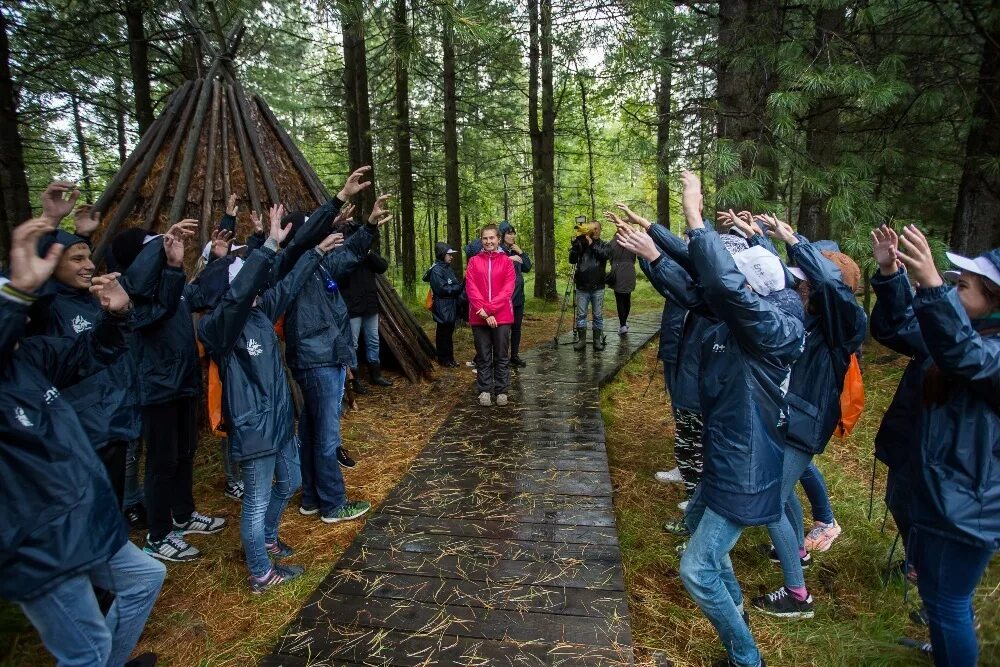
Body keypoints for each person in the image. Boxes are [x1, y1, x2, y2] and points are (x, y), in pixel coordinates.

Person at [621, 170, 804, 667]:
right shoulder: (742, 316)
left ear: (753, 288)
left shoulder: (772, 326)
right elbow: (697, 288)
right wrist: (655, 250)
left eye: (739, 276)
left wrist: (696, 217)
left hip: (746, 467)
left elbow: (720, 284)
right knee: (714, 557)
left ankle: (746, 657)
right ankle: (739, 617)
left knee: (697, 570)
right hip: (725, 458)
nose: (727, 283)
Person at [2, 216, 164, 667]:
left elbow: (89, 354)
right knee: (85, 648)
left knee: (146, 577)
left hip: (79, 517)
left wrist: (115, 317)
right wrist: (16, 292)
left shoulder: (30, 359)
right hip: (39, 539)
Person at [870, 225, 999, 667]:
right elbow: (900, 327)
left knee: (949, 604)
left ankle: (952, 647)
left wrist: (929, 285)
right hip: (941, 487)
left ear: (994, 300)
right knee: (940, 598)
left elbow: (967, 359)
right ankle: (945, 645)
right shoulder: (960, 331)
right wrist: (890, 274)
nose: (951, 288)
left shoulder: (985, 349)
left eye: (962, 286)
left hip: (968, 500)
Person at [199, 211, 343, 592]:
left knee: (291, 479)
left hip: (277, 422)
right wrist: (268, 246)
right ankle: (261, 573)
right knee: (256, 498)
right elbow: (243, 289)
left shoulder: (261, 313)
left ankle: (266, 537)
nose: (262, 286)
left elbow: (291, 283)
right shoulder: (221, 327)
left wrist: (317, 251)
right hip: (252, 426)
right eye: (254, 282)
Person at [745, 213, 866, 618]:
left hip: (804, 424)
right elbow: (779, 277)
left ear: (828, 289)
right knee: (785, 494)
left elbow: (829, 285)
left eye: (808, 283)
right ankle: (797, 551)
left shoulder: (843, 325)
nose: (800, 287)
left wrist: (795, 241)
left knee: (771, 500)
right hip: (792, 417)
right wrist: (757, 239)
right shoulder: (814, 317)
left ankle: (798, 595)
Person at [110, 219, 227, 563]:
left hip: (182, 382)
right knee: (161, 463)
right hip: (157, 387)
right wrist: (174, 267)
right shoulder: (128, 294)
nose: (160, 251)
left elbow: (199, 295)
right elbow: (155, 314)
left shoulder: (170, 282)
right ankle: (158, 535)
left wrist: (216, 260)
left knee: (184, 453)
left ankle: (183, 513)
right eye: (152, 248)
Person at [284, 167, 390, 523]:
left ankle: (313, 497)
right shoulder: (293, 262)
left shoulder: (314, 264)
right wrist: (340, 197)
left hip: (320, 356)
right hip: (317, 359)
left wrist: (370, 226)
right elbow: (312, 241)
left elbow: (349, 257)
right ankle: (333, 504)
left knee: (313, 431)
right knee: (327, 435)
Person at [465, 223, 516, 406]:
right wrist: (484, 313)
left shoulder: (507, 262)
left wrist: (491, 310)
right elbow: (471, 288)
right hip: (479, 316)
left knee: (501, 355)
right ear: (481, 240)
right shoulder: (473, 262)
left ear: (498, 239)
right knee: (483, 355)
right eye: (485, 238)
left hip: (502, 317)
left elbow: (507, 290)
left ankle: (501, 390)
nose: (488, 241)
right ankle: (485, 390)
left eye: (492, 238)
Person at [340, 218, 391, 394]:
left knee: (373, 340)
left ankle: (375, 374)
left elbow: (382, 266)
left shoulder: (368, 255)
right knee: (352, 343)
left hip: (370, 305)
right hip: (352, 306)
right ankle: (354, 379)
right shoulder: (345, 255)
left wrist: (368, 253)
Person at [569, 220, 612, 351]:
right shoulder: (581, 243)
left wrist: (592, 243)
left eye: (596, 229)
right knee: (581, 315)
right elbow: (571, 260)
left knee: (598, 315)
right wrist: (576, 245)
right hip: (582, 287)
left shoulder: (604, 245)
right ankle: (581, 340)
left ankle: (596, 341)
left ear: (600, 230)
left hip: (598, 287)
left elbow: (605, 255)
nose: (594, 231)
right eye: (591, 229)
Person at [424, 242, 464, 367]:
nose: (451, 257)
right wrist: (457, 288)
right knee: (443, 333)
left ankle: (450, 358)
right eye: (449, 254)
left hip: (450, 304)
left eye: (451, 255)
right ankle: (443, 359)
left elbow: (453, 285)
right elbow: (442, 289)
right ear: (442, 254)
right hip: (442, 305)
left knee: (448, 333)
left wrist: (456, 287)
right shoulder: (436, 270)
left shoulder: (447, 268)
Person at [499, 222, 531, 367]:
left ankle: (514, 355)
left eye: (513, 233)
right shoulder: (499, 252)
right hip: (505, 298)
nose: (512, 236)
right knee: (503, 330)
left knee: (516, 328)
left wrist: (521, 252)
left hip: (518, 297)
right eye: (509, 233)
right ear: (502, 235)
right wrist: (508, 259)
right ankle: (501, 358)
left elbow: (527, 267)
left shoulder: (515, 250)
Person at [607, 231, 637, 334]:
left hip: (617, 271)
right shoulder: (632, 241)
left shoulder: (612, 242)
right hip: (629, 270)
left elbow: (609, 257)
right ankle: (624, 322)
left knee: (619, 298)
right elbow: (634, 258)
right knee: (627, 297)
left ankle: (623, 324)